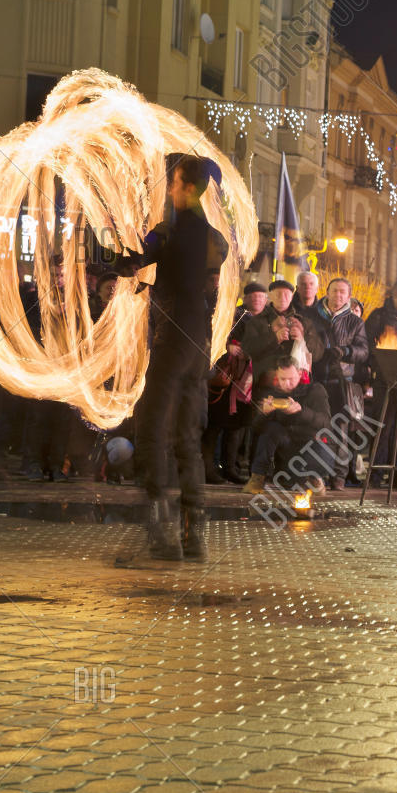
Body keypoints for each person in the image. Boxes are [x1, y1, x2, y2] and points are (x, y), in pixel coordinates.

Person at [117, 154, 229, 563]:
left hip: (171, 342)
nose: (169, 188)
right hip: (198, 347)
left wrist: (115, 258)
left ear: (188, 188)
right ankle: (193, 537)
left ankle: (159, 533)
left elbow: (136, 261)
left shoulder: (167, 232)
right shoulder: (218, 240)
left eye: (175, 181)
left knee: (150, 431)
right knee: (186, 438)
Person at [243, 358, 334, 494]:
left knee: (316, 460)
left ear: (299, 373)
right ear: (276, 376)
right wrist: (264, 413)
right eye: (282, 379)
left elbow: (326, 422)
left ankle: (314, 477)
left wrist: (301, 411)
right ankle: (257, 477)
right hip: (286, 450)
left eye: (291, 378)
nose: (286, 383)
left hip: (311, 445)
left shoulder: (315, 390)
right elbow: (256, 429)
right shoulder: (271, 394)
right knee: (271, 428)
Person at [316, 276, 369, 489]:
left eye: (343, 292)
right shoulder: (314, 315)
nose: (338, 295)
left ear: (348, 296)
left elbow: (364, 351)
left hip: (342, 382)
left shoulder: (355, 322)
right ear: (327, 292)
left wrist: (347, 351)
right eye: (335, 290)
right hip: (317, 378)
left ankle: (338, 476)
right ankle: (318, 472)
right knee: (318, 429)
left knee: (340, 432)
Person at [203, 332, 253, 484]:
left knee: (234, 429)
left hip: (242, 383)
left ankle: (230, 469)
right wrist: (226, 347)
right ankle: (208, 470)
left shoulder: (264, 321)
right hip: (223, 378)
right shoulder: (230, 316)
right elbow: (209, 336)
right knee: (213, 428)